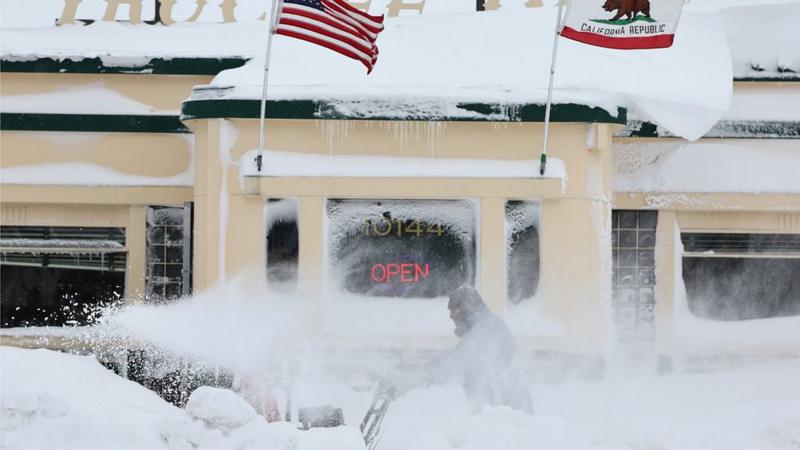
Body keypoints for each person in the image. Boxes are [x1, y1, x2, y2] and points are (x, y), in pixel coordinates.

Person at [428, 286, 534, 415]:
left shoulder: (487, 328)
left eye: (455, 310)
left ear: (467, 308)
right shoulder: (485, 324)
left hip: (510, 413)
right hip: (502, 411)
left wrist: (425, 373)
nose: (451, 316)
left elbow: (458, 358)